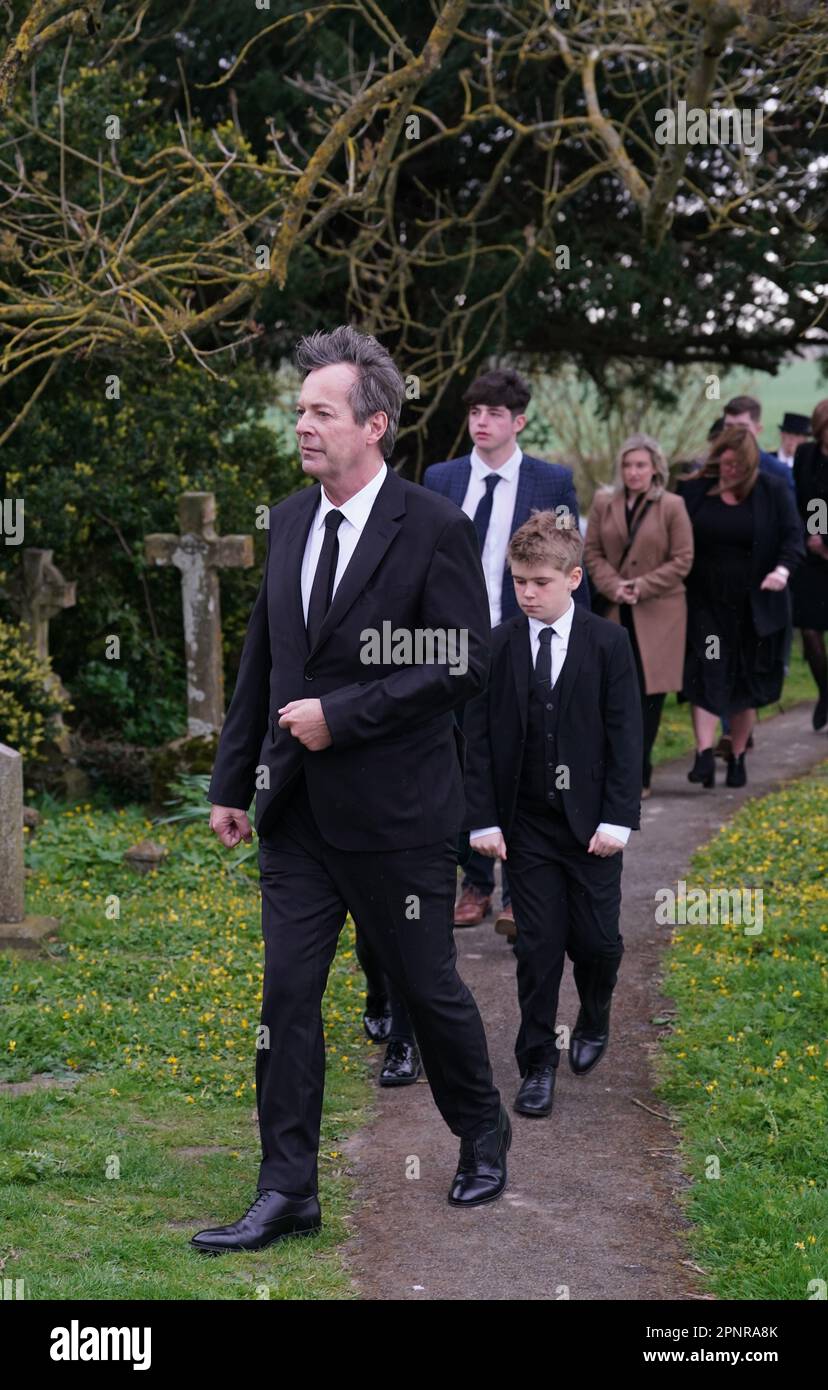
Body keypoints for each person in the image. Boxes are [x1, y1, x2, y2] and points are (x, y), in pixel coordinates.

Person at [194, 326, 511, 1253]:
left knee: (426, 985)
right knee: (286, 1000)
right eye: (299, 411)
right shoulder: (290, 518)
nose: (303, 425)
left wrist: (347, 711)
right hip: (296, 817)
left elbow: (464, 659)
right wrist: (233, 780)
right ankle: (287, 1189)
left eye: (320, 411)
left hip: (399, 818)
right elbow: (264, 657)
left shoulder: (434, 528)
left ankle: (482, 1132)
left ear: (373, 424)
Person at [462, 513, 642, 1118]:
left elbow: (625, 736)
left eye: (539, 582)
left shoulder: (609, 644)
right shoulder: (498, 643)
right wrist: (482, 820)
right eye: (517, 582)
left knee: (597, 943)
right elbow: (478, 741)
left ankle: (594, 1015)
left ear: (571, 579)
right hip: (527, 827)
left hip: (592, 827)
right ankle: (537, 1063)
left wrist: (618, 818)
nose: (527, 593)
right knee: (537, 949)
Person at [424, 367, 589, 941]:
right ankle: (475, 883)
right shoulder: (441, 479)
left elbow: (572, 567)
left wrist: (579, 642)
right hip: (454, 646)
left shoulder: (551, 481)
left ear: (518, 421)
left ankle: (523, 893)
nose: (482, 422)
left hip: (524, 640)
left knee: (526, 758)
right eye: (474, 412)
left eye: (494, 413)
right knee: (464, 758)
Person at [677, 426, 804, 790]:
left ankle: (737, 755)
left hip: (754, 604)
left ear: (749, 464)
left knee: (743, 681)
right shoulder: (695, 489)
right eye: (723, 462)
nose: (728, 470)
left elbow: (792, 537)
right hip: (705, 601)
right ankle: (703, 754)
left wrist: (782, 571)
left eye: (736, 464)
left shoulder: (772, 490)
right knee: (707, 667)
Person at [584, 434, 694, 797]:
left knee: (649, 696)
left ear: (655, 468)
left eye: (641, 465)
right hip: (615, 609)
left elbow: (683, 558)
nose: (633, 472)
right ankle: (613, 768)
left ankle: (641, 770)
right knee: (613, 691)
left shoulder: (673, 505)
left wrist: (642, 585)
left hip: (660, 612)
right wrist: (613, 585)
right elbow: (593, 551)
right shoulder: (604, 502)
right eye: (628, 465)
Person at [790, 398, 828, 730]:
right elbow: (798, 501)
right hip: (810, 559)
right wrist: (808, 537)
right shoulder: (806, 456)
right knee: (811, 628)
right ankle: (825, 691)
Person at [722, 395, 795, 491]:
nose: (734, 432)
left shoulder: (778, 473)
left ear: (758, 429)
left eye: (742, 427)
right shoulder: (711, 468)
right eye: (729, 426)